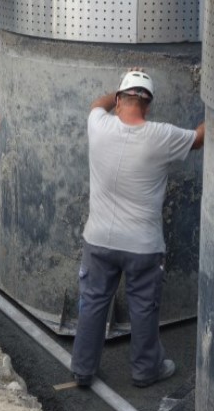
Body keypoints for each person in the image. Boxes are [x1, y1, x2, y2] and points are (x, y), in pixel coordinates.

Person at [70, 69, 204, 389]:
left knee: (93, 304)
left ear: (120, 100)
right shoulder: (161, 135)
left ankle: (82, 370)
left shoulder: (98, 125)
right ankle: (145, 370)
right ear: (148, 104)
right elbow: (199, 138)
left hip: (98, 239)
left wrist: (111, 96)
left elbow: (95, 104)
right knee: (143, 309)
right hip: (142, 245)